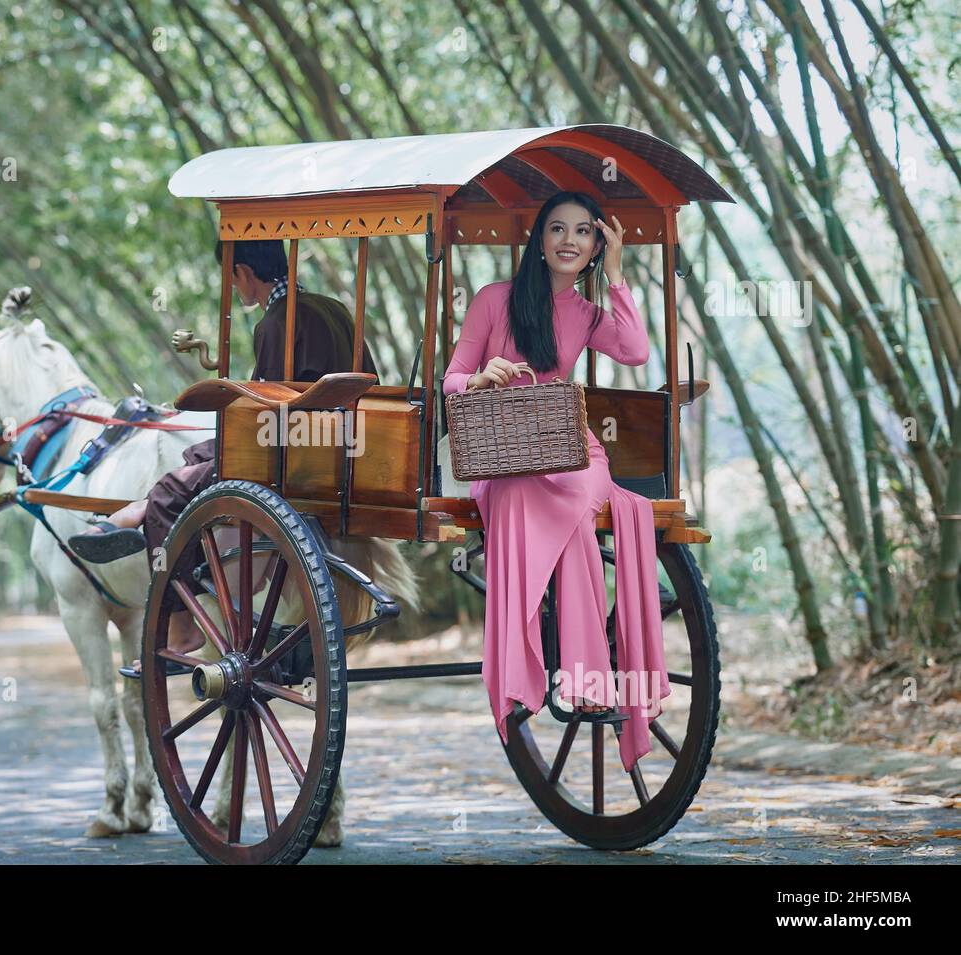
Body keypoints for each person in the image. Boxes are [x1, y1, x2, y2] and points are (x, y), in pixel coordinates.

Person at [68, 238, 377, 672]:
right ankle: (135, 512)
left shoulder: (276, 323)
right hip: (346, 444)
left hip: (290, 451)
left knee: (172, 492)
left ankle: (181, 627)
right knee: (197, 452)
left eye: (232, 280)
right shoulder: (334, 310)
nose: (234, 290)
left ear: (245, 273)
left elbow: (264, 405)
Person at [443, 190, 670, 773]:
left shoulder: (588, 312)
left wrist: (617, 276)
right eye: (557, 229)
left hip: (572, 453)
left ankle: (580, 667)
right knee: (529, 495)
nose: (570, 241)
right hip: (505, 459)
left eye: (584, 233)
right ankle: (575, 667)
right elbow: (451, 380)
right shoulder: (495, 301)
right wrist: (480, 378)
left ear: (596, 246)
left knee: (572, 495)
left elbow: (639, 351)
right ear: (539, 241)